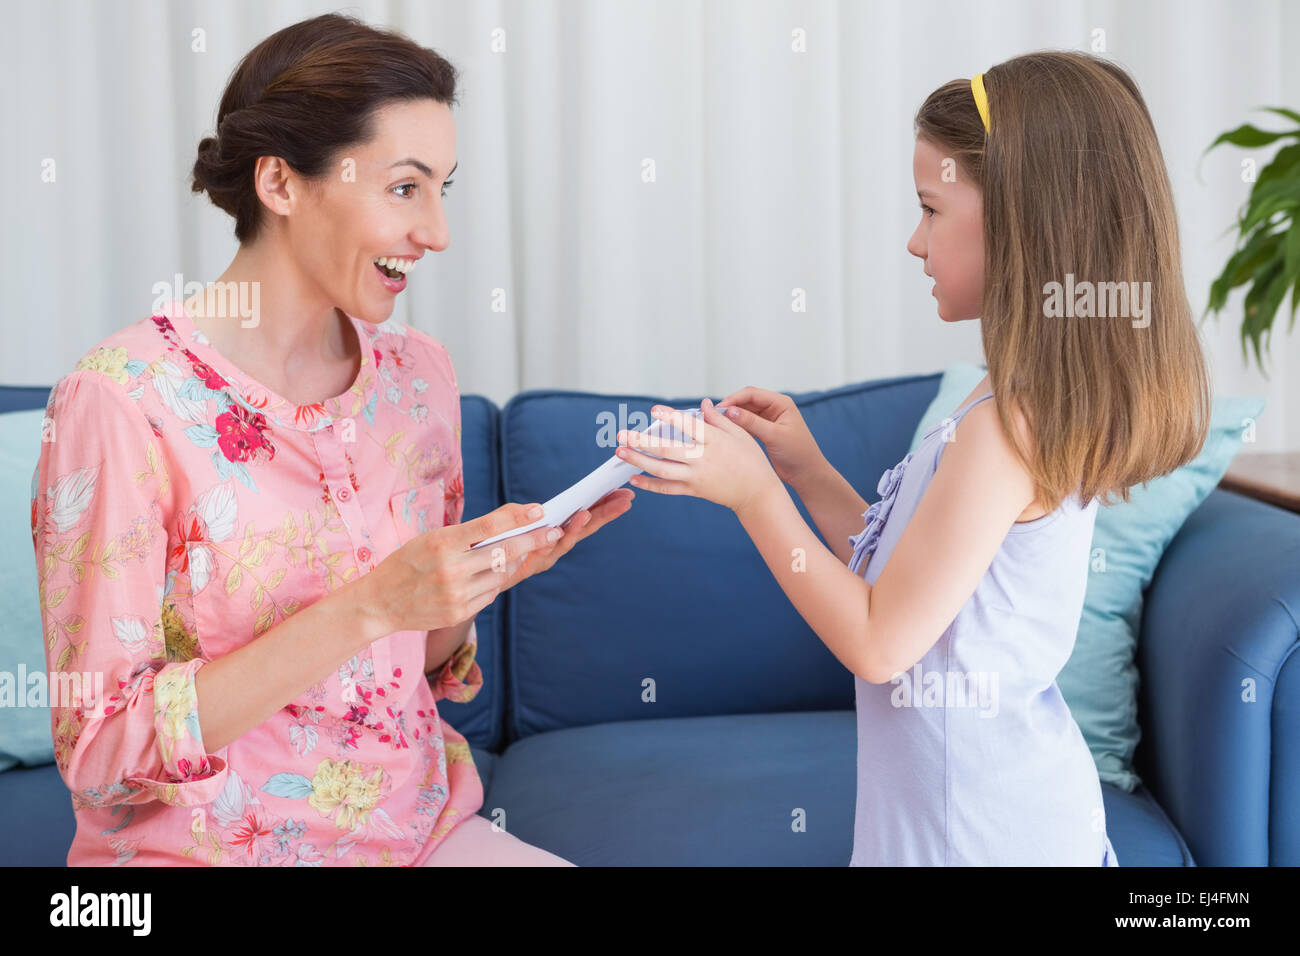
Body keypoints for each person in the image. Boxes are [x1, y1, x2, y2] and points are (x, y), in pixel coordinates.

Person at [29, 12, 630, 867]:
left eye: (442, 189)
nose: (437, 233)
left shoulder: (418, 376)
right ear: (280, 184)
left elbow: (407, 672)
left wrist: (474, 586)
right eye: (403, 187)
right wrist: (371, 603)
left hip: (421, 836)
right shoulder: (121, 400)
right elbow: (102, 754)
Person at [617, 50, 1210, 865]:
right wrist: (807, 473)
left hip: (982, 836)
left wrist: (755, 495)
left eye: (931, 208)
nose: (913, 239)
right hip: (968, 821)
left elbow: (880, 643)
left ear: (1022, 221)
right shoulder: (1004, 403)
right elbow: (920, 595)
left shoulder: (1011, 425)